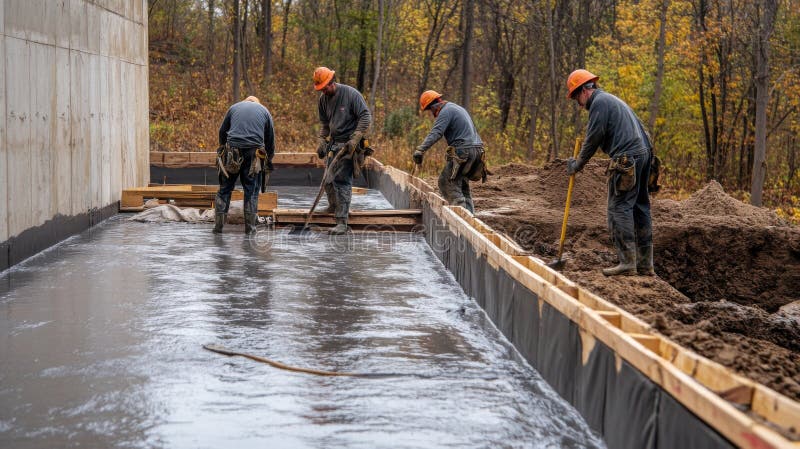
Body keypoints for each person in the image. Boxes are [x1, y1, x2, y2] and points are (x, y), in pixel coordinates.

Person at [565, 69, 655, 276]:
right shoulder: (612, 100)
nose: (579, 105)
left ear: (584, 91)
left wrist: (578, 164)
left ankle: (627, 264)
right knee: (641, 208)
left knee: (619, 207)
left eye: (576, 98)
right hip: (643, 154)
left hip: (628, 158)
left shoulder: (599, 103)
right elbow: (642, 128)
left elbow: (593, 137)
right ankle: (645, 264)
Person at [313, 67, 372, 235]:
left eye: (325, 87)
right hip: (335, 143)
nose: (324, 91)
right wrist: (321, 141)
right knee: (328, 179)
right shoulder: (323, 100)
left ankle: (342, 222)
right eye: (321, 89)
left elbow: (365, 116)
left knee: (342, 182)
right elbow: (325, 125)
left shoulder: (351, 94)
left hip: (349, 144)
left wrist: (354, 139)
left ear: (332, 82)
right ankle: (332, 206)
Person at [413, 91, 487, 213]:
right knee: (462, 185)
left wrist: (421, 149)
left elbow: (436, 132)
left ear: (433, 106)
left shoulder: (445, 111)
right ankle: (470, 217)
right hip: (478, 150)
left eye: (430, 110)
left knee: (446, 182)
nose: (432, 114)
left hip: (464, 151)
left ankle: (461, 218)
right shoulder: (457, 108)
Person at [214, 96, 275, 234]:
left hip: (232, 150)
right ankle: (250, 229)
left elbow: (222, 131)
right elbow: (270, 139)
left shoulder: (234, 107)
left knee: (224, 189)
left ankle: (218, 227)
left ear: (246, 101)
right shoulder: (264, 111)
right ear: (257, 103)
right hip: (254, 153)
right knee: (251, 191)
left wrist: (223, 147)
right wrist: (269, 158)